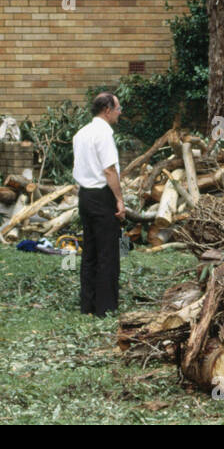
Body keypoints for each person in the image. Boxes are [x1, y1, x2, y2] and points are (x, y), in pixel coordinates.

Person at [72, 92, 126, 317]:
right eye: (118, 108)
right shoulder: (103, 134)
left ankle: (88, 305)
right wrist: (119, 199)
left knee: (90, 252)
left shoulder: (80, 134)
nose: (120, 112)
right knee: (108, 253)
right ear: (107, 110)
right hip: (102, 196)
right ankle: (106, 307)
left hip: (85, 196)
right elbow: (109, 170)